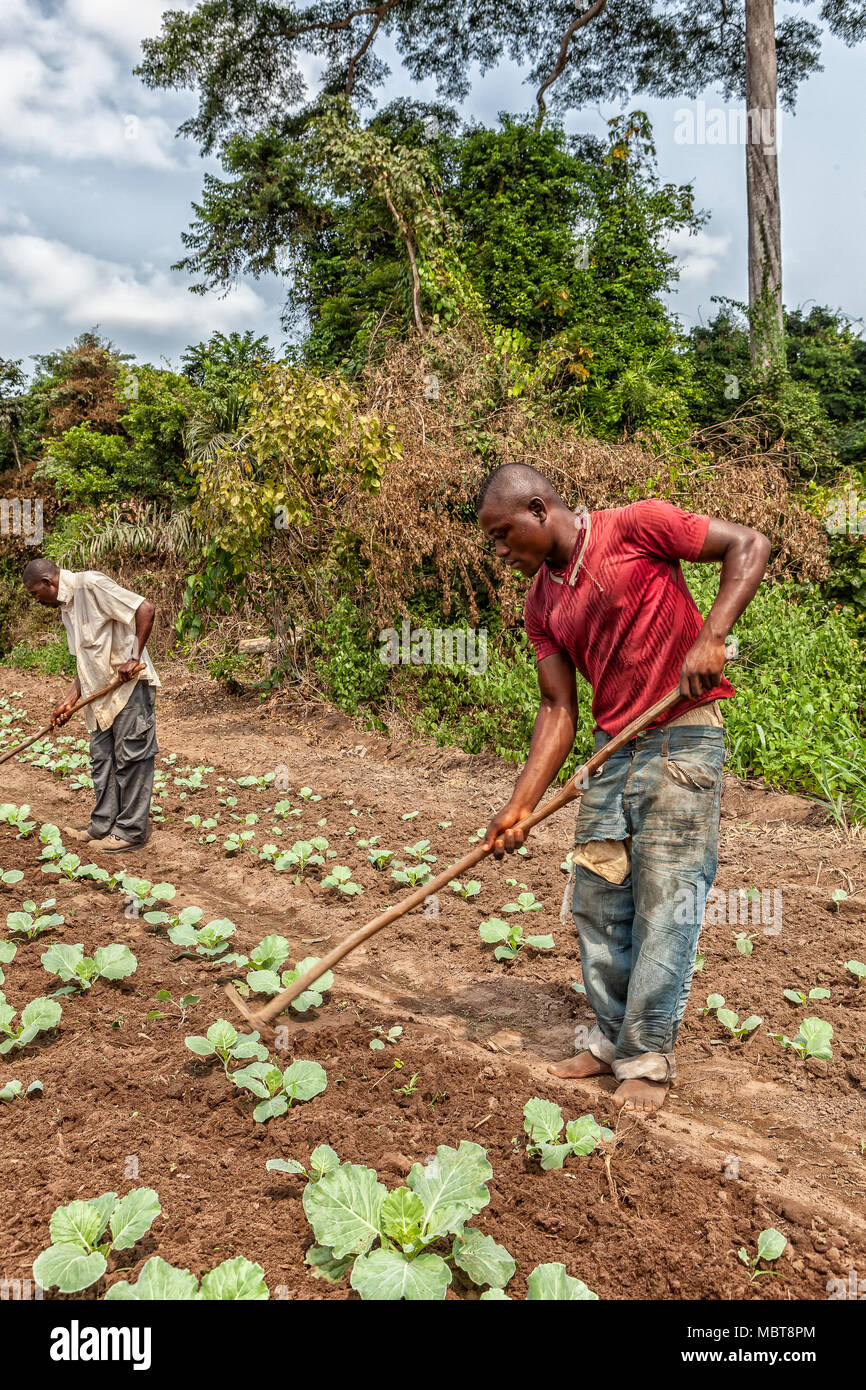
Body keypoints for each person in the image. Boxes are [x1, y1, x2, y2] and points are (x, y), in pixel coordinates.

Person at [479, 464, 770, 1114]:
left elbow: (749, 544)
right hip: (612, 753)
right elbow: (557, 710)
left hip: (683, 739)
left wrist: (712, 637)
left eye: (503, 535)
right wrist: (520, 803)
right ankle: (611, 1042)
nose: (500, 552)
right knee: (598, 902)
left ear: (537, 509)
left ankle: (646, 1058)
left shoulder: (638, 527)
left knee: (668, 903)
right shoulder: (540, 604)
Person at [22, 559, 160, 852]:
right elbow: (85, 662)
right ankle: (102, 826)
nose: (36, 600)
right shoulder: (67, 608)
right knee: (102, 761)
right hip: (99, 697)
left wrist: (134, 657)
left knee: (132, 760)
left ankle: (130, 833)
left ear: (49, 583)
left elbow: (145, 608)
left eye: (35, 593)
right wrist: (69, 702)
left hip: (128, 689)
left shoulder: (91, 584)